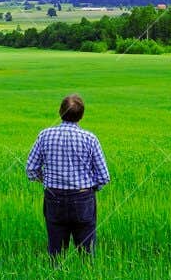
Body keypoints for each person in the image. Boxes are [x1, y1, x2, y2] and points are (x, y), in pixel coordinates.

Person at [25, 94, 109, 256]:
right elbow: (103, 176)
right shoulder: (90, 138)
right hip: (83, 198)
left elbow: (31, 170)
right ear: (82, 115)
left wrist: (46, 180)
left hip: (53, 197)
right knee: (86, 254)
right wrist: (88, 190)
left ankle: (56, 278)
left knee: (55, 253)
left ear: (60, 112)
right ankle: (87, 278)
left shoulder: (45, 135)